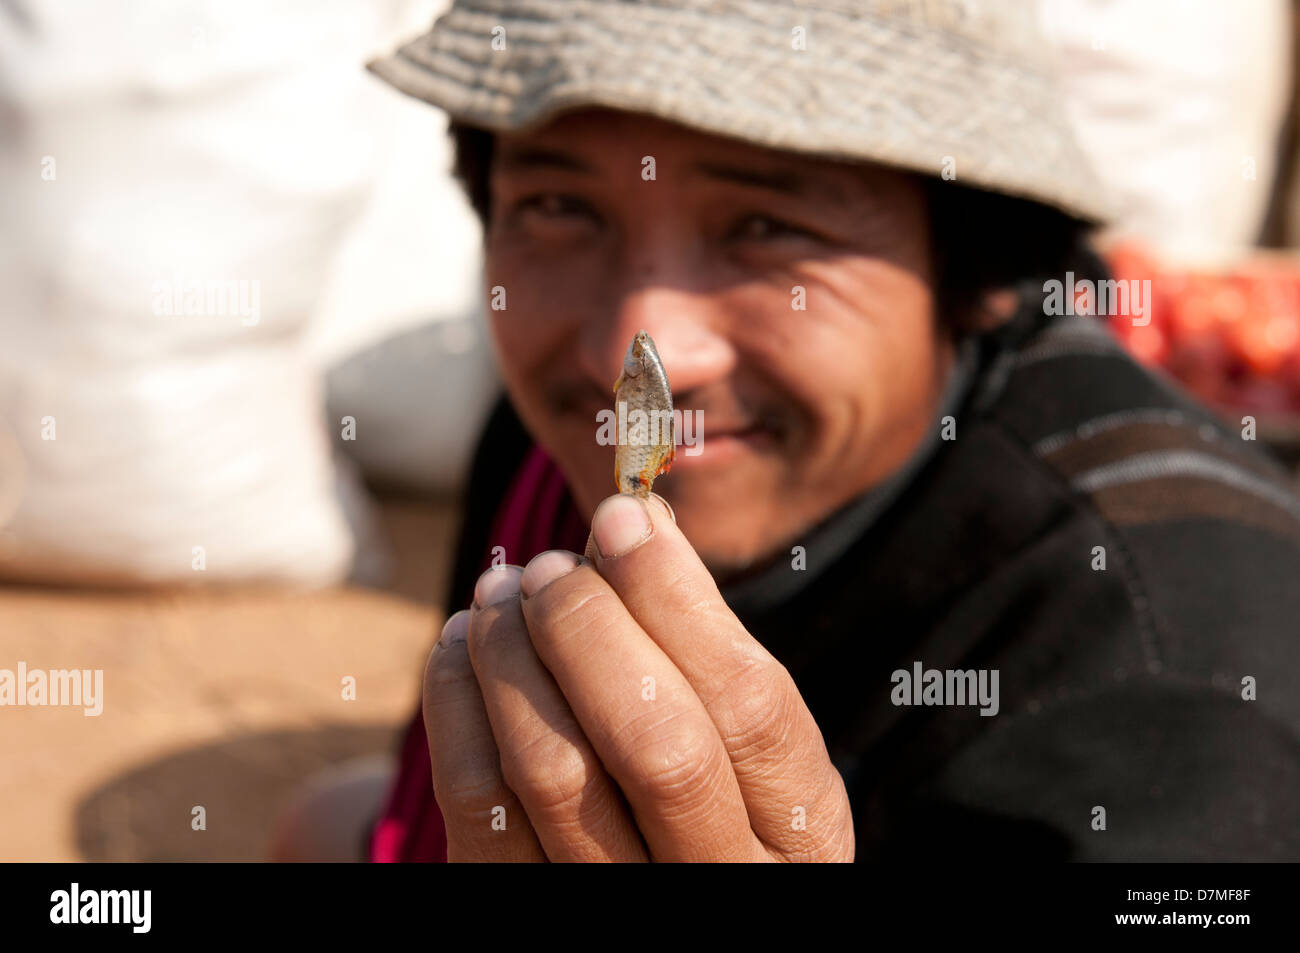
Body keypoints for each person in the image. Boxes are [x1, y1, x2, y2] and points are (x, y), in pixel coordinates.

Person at [299, 0, 1300, 861]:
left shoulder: (1170, 687)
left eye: (768, 228)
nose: (633, 348)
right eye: (558, 205)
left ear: (975, 267)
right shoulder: (559, 440)